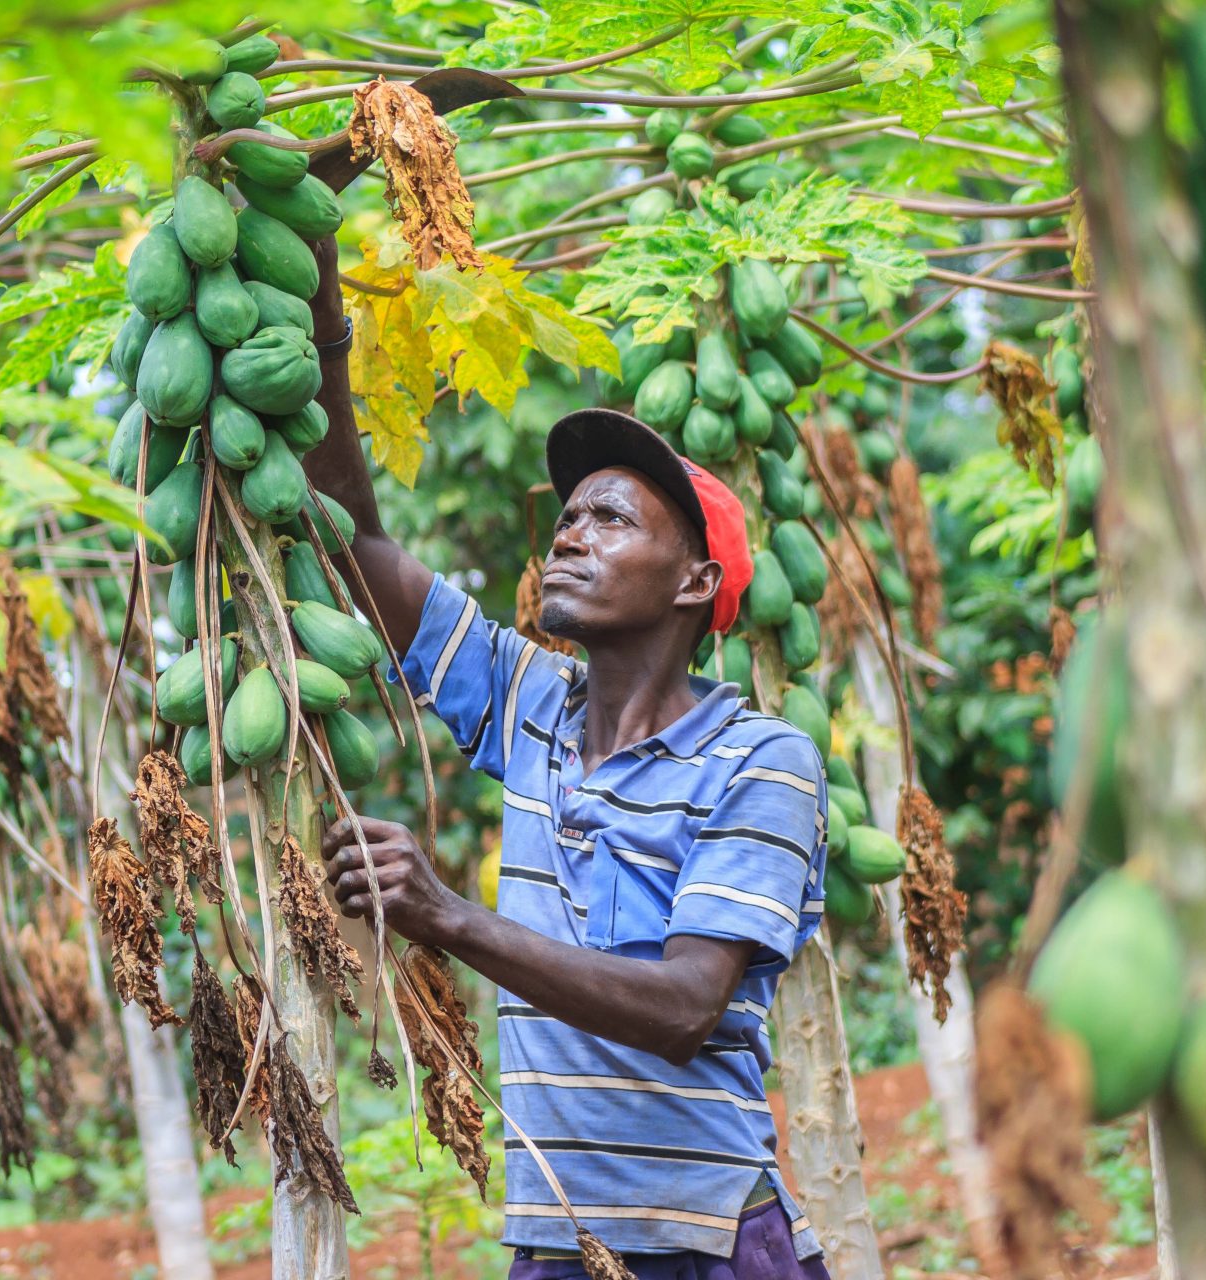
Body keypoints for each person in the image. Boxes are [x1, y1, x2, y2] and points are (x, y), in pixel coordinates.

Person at [300, 232, 833, 1280]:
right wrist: (315, 271)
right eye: (570, 516)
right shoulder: (530, 702)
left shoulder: (763, 760)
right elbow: (354, 545)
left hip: (706, 1242)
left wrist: (448, 915)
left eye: (613, 518)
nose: (571, 538)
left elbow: (687, 1006)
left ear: (693, 582)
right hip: (557, 1243)